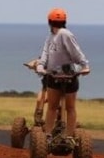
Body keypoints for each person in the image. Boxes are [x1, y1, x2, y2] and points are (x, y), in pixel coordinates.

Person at [34, 7, 90, 138]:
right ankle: (48, 136)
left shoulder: (65, 34)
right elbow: (45, 53)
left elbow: (76, 52)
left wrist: (85, 65)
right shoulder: (51, 36)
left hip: (68, 75)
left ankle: (68, 137)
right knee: (55, 107)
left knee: (66, 107)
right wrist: (41, 65)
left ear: (49, 22)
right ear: (64, 21)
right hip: (54, 75)